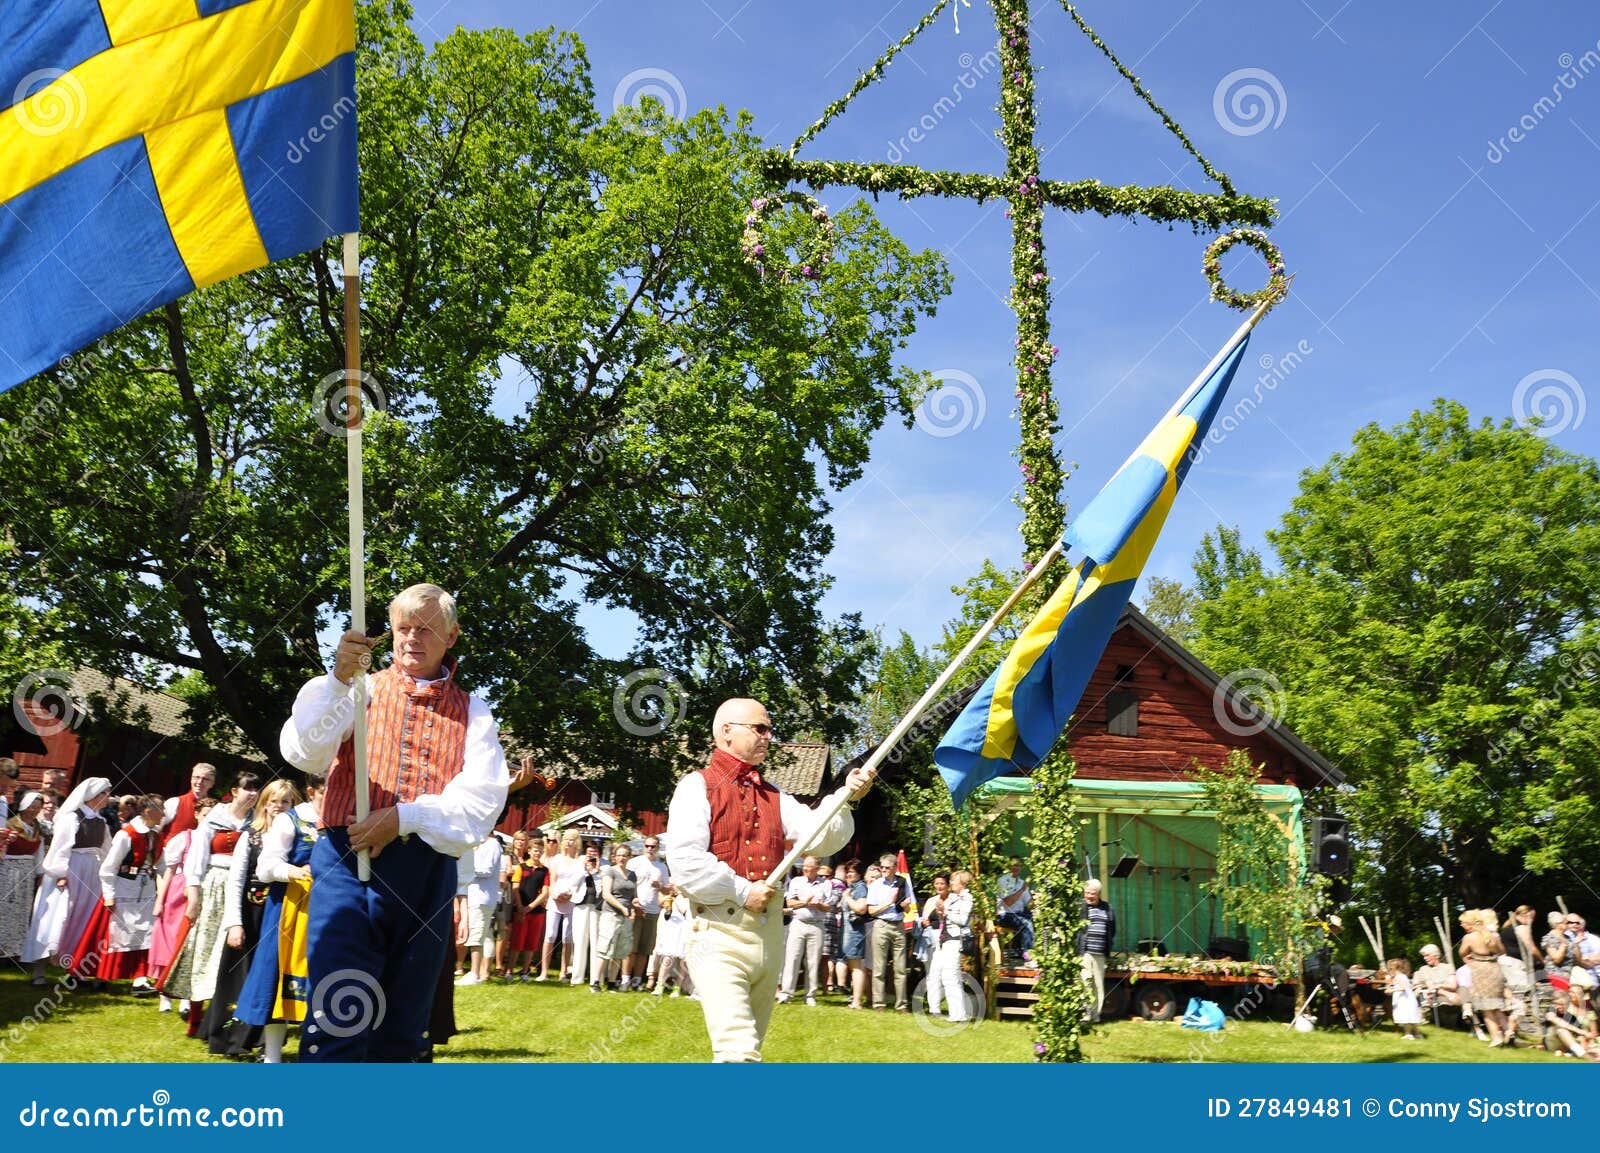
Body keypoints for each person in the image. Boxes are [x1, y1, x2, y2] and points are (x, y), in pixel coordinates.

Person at [279, 583, 511, 1062]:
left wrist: (405, 817)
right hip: (346, 861)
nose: (411, 638)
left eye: (426, 629)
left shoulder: (474, 711)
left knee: (404, 1025)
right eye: (403, 628)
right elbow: (304, 753)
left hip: (425, 869)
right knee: (339, 1012)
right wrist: (339, 681)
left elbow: (481, 804)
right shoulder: (357, 690)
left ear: (452, 636)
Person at [663, 697, 875, 1062]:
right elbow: (684, 861)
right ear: (726, 731)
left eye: (770, 729)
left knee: (748, 1048)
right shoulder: (696, 787)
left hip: (769, 935)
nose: (768, 736)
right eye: (760, 728)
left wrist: (845, 795)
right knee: (738, 1050)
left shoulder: (774, 794)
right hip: (717, 933)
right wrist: (743, 891)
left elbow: (819, 835)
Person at [164, 772, 260, 1036]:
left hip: (244, 888)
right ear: (234, 790)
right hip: (215, 884)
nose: (253, 793)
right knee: (204, 949)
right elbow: (196, 857)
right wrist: (193, 894)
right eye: (248, 788)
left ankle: (227, 1016)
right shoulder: (215, 817)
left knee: (233, 953)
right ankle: (195, 1016)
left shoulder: (258, 820)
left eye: (256, 789)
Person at [204, 780, 293, 1057]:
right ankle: (232, 1039)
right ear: (264, 803)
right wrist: (234, 922)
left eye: (286, 802)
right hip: (250, 914)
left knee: (271, 978)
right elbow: (236, 882)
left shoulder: (293, 838)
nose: (279, 807)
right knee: (240, 978)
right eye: (274, 801)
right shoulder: (249, 837)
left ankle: (265, 1040)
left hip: (279, 914)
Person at [235, 782, 320, 1063]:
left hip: (330, 906)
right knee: (276, 977)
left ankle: (317, 1053)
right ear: (312, 791)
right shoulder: (290, 819)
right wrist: (295, 871)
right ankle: (272, 1057)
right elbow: (266, 867)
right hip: (289, 907)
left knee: (323, 978)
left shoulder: (342, 818)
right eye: (327, 790)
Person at [22, 776, 112, 985]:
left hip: (90, 873)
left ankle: (75, 969)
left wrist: (106, 871)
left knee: (82, 919)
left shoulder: (101, 822)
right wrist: (61, 874)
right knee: (55, 919)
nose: (107, 797)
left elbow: (106, 850)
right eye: (104, 793)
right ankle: (39, 972)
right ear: (93, 796)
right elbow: (60, 849)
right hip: (68, 871)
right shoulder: (71, 818)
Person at [71, 794, 165, 989]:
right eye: (160, 809)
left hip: (145, 889)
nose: (163, 813)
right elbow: (109, 867)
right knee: (110, 934)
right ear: (148, 811)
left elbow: (161, 865)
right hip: (123, 887)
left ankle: (140, 978)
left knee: (143, 932)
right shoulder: (127, 834)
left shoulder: (156, 835)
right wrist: (109, 894)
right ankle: (96, 974)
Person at [148, 796, 217, 1010]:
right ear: (197, 815)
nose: (208, 820)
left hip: (203, 891)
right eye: (205, 815)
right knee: (170, 942)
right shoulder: (185, 838)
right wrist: (160, 900)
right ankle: (165, 995)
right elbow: (168, 871)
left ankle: (186, 995)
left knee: (191, 943)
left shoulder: (215, 840)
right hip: (178, 892)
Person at [778, 854, 832, 1005]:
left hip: (817, 925)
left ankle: (810, 995)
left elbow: (829, 906)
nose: (805, 868)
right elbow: (789, 902)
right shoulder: (796, 881)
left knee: (813, 961)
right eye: (804, 866)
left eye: (809, 866)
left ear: (817, 868)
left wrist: (819, 906)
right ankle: (786, 993)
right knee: (792, 958)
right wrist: (805, 903)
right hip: (798, 923)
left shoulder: (825, 884)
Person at [865, 851, 915, 1012]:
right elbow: (871, 911)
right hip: (881, 925)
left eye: (887, 867)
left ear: (895, 868)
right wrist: (890, 903)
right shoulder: (875, 886)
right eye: (882, 867)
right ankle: (879, 1004)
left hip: (898, 925)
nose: (884, 870)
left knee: (900, 969)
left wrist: (905, 905)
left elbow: (907, 910)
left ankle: (901, 1005)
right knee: (879, 968)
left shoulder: (902, 882)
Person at [1, 792, 46, 959]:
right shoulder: (9, 825)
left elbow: (39, 853)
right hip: (8, 871)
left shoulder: (37, 828)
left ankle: (14, 949)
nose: (34, 810)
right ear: (23, 806)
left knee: (21, 910)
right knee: (6, 908)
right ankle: (2, 946)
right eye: (32, 806)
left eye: (38, 807)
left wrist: (40, 873)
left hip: (27, 874)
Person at [457, 832, 503, 986]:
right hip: (476, 896)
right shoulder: (477, 844)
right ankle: (481, 972)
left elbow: (487, 870)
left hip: (482, 898)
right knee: (485, 936)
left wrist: (465, 869)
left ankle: (474, 973)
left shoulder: (492, 844)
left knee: (476, 936)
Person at [1460, 908, 1511, 1047]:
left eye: (1463, 922)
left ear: (1470, 923)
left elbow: (1462, 952)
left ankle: (1496, 1037)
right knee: (1497, 1006)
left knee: (1486, 1008)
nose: (1461, 925)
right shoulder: (1491, 935)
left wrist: (1471, 958)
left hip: (1481, 972)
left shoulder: (1469, 937)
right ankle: (1508, 1031)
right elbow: (1502, 951)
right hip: (1495, 969)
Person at [626, 835, 670, 991]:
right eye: (647, 846)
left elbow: (667, 889)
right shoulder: (634, 862)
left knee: (645, 949)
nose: (650, 849)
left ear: (658, 848)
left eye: (653, 846)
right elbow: (627, 884)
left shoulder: (662, 867)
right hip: (636, 909)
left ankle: (637, 980)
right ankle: (625, 979)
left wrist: (660, 886)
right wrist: (634, 901)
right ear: (644, 846)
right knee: (631, 947)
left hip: (653, 910)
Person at [541, 829, 584, 980]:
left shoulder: (579, 862)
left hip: (571, 900)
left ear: (576, 842)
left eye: (572, 839)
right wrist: (554, 894)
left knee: (567, 937)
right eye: (566, 839)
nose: (568, 842)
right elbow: (552, 879)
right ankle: (544, 972)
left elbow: (579, 882)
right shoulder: (556, 859)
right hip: (554, 900)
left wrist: (570, 894)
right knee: (550, 935)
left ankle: (563, 971)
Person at [597, 842, 641, 989]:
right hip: (611, 914)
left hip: (626, 916)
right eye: (619, 855)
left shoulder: (632, 875)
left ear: (629, 857)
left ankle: (611, 982)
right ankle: (596, 982)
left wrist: (635, 905)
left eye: (625, 855)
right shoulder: (610, 871)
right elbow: (606, 894)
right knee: (605, 947)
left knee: (620, 950)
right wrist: (622, 908)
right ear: (614, 857)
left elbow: (634, 896)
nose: (622, 858)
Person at [506, 831, 548, 981]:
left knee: (531, 943)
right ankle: (509, 971)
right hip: (520, 910)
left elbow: (545, 892)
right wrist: (521, 907)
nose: (538, 853)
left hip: (537, 912)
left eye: (541, 851)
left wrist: (530, 907)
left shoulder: (545, 870)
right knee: (517, 942)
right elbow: (515, 888)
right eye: (535, 850)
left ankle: (524, 972)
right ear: (529, 851)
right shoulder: (521, 868)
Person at [1077, 877, 1116, 1023]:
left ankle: (1096, 1015)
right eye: (1086, 893)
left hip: (1100, 953)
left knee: (1098, 985)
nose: (1088, 896)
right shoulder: (1082, 907)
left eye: (1092, 893)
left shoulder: (1108, 908)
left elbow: (1112, 929)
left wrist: (1108, 943)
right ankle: (1086, 1014)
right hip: (1086, 952)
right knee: (1086, 982)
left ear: (1099, 894)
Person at [938, 869, 975, 1021]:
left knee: (950, 976)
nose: (951, 883)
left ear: (963, 884)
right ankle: (959, 1013)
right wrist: (941, 911)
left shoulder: (967, 898)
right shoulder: (952, 897)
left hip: (956, 940)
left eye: (954, 881)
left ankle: (957, 1014)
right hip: (946, 939)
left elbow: (963, 920)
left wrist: (946, 912)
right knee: (952, 977)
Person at [570, 843, 605, 990]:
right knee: (579, 940)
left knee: (596, 941)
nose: (591, 854)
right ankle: (577, 976)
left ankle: (595, 978)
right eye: (589, 851)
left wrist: (596, 870)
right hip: (581, 904)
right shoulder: (579, 864)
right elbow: (573, 883)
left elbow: (603, 885)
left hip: (597, 906)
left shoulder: (605, 866)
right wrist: (585, 871)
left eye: (594, 851)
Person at [838, 859, 870, 1009]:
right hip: (847, 931)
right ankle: (855, 999)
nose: (849, 875)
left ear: (859, 874)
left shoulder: (860, 888)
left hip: (855, 931)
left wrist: (847, 897)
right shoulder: (851, 887)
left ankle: (857, 1002)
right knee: (852, 965)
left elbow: (861, 908)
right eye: (848, 872)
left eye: (853, 872)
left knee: (856, 966)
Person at [160, 764, 217, 848]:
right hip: (170, 857)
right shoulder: (174, 802)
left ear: (212, 784)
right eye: (196, 777)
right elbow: (156, 829)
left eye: (205, 779)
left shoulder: (216, 809)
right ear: (191, 779)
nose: (199, 782)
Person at [918, 871, 951, 1015]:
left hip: (948, 939)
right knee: (932, 973)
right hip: (932, 939)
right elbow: (924, 919)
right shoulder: (931, 901)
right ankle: (934, 1008)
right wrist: (924, 922)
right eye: (937, 883)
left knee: (947, 974)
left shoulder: (953, 900)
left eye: (942, 883)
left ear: (948, 885)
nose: (939, 886)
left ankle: (951, 1006)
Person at [996, 856, 1034, 961]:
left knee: (1035, 918)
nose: (1016, 868)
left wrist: (1038, 901)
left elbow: (1029, 903)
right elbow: (1007, 902)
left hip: (1019, 913)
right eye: (1014, 865)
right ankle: (1028, 955)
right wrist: (1021, 890)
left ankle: (1021, 951)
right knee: (1027, 922)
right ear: (1008, 866)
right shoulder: (1002, 881)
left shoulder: (1022, 882)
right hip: (1005, 915)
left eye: (1018, 865)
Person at [1387, 957, 1422, 1039]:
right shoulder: (1402, 976)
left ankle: (1408, 1034)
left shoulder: (1399, 977)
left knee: (1406, 1018)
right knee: (1411, 1018)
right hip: (1406, 1000)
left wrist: (1391, 990)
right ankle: (1417, 1034)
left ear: (1394, 969)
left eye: (1390, 969)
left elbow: (1403, 988)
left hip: (1405, 1001)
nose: (1389, 971)